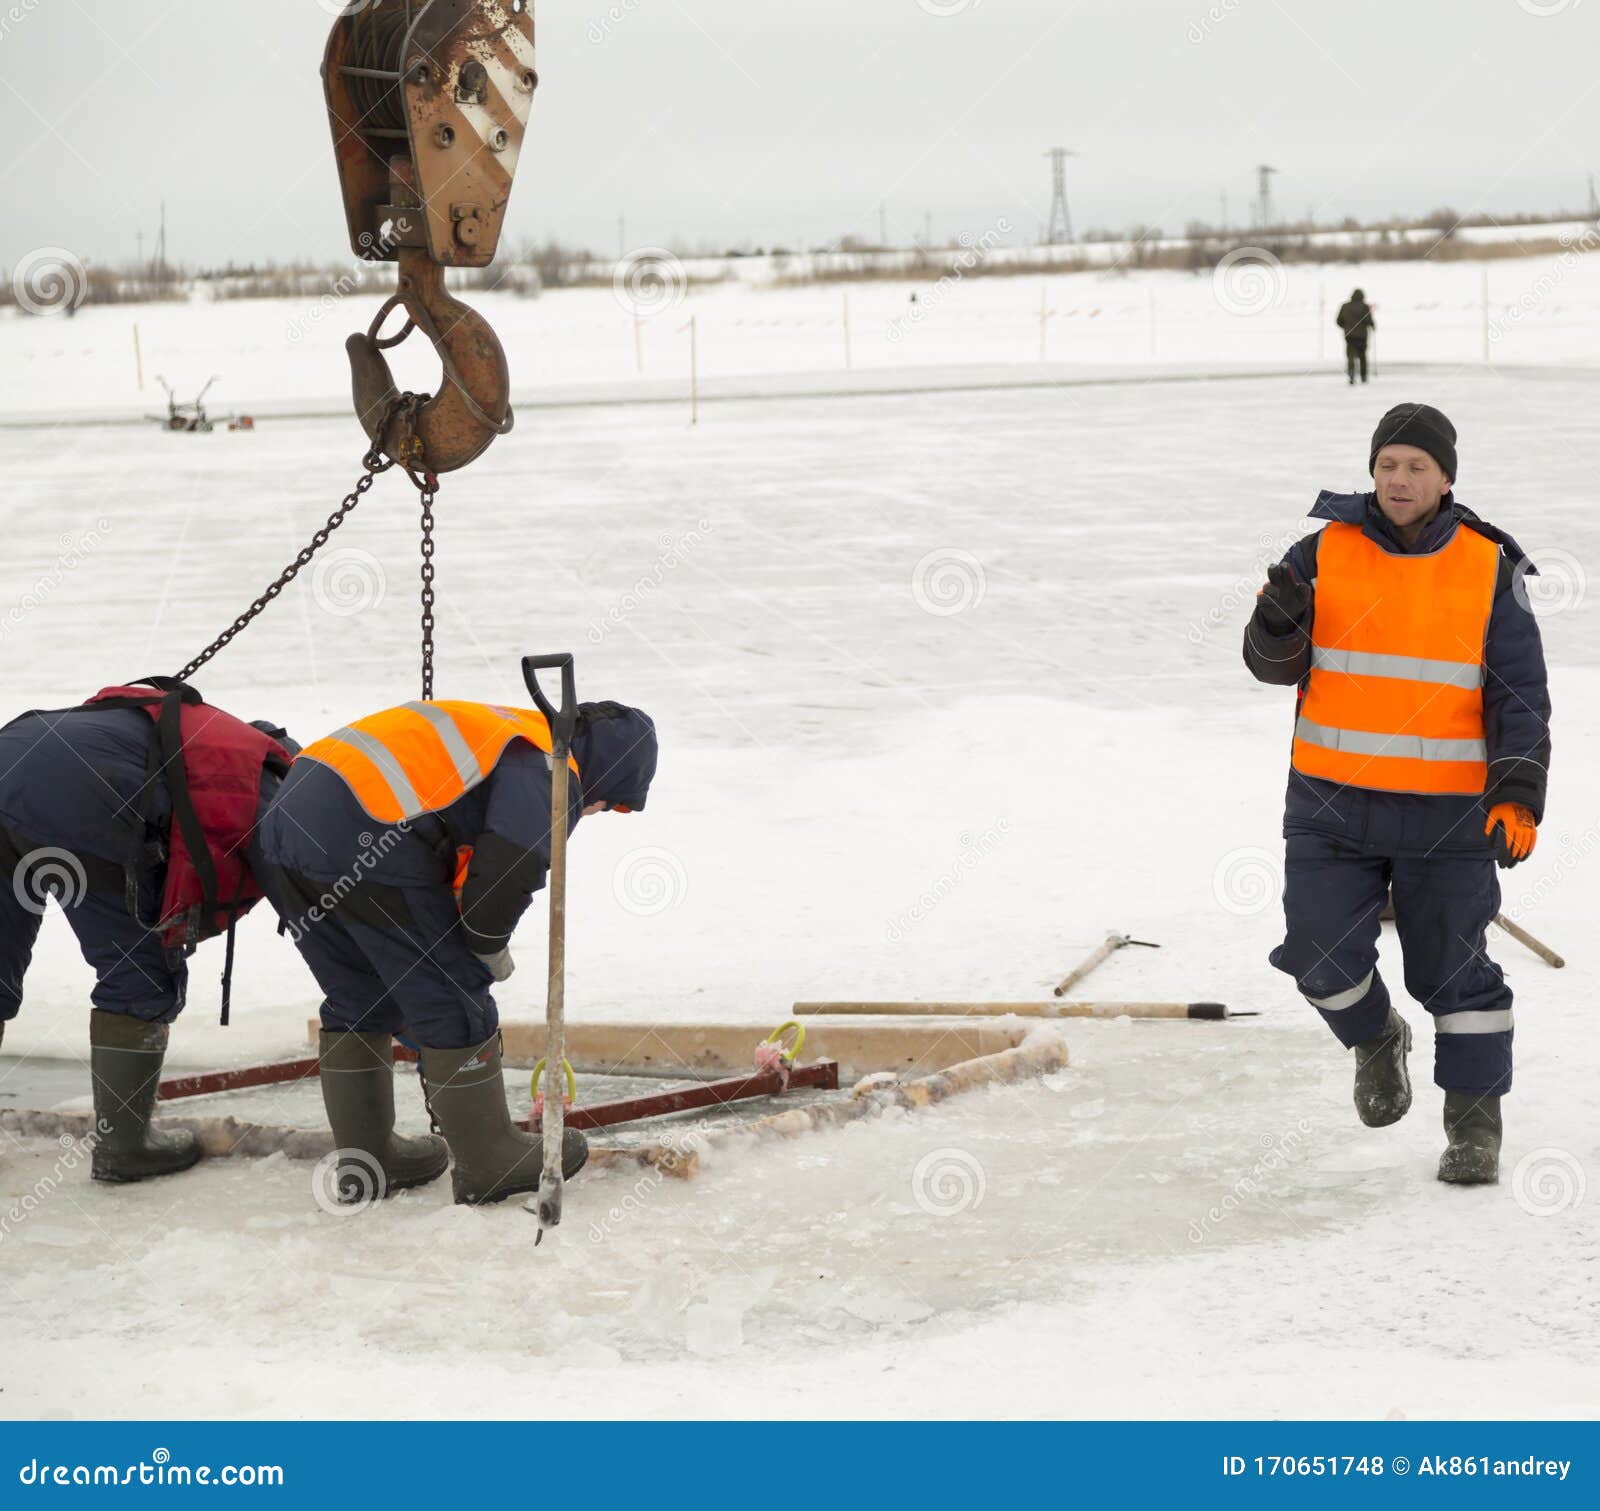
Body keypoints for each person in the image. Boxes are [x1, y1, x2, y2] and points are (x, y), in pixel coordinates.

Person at [1243, 404, 1550, 1185]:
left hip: (1447, 812)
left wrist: (1516, 793)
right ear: (1371, 472)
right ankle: (1376, 1035)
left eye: (1417, 466)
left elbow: (1519, 694)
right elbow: (1270, 663)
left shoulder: (1489, 566)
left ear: (1447, 478)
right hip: (1330, 803)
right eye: (1388, 465)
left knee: (1456, 974)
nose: (1400, 480)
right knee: (1316, 951)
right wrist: (1275, 629)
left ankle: (1473, 1125)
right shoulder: (1321, 553)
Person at [255, 693, 658, 1207]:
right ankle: (488, 1159)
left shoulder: (506, 729)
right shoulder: (546, 763)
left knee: (360, 998)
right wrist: (487, 947)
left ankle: (369, 1161)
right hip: (364, 835)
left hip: (283, 831)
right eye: (610, 800)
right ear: (609, 769)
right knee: (454, 993)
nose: (597, 809)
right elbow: (510, 868)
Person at [0, 679, 296, 1183]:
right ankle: (126, 1147)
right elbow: (281, 872)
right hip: (79, 796)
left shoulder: (191, 728)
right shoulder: (261, 778)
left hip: (12, 757)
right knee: (140, 972)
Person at [1336, 288, 1376, 385]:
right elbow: (1369, 320)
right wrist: (1372, 325)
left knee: (1350, 356)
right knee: (1362, 357)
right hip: (1362, 336)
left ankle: (1351, 376)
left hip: (1349, 335)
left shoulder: (1345, 306)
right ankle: (1363, 377)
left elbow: (1338, 320)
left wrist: (1346, 327)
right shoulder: (1364, 306)